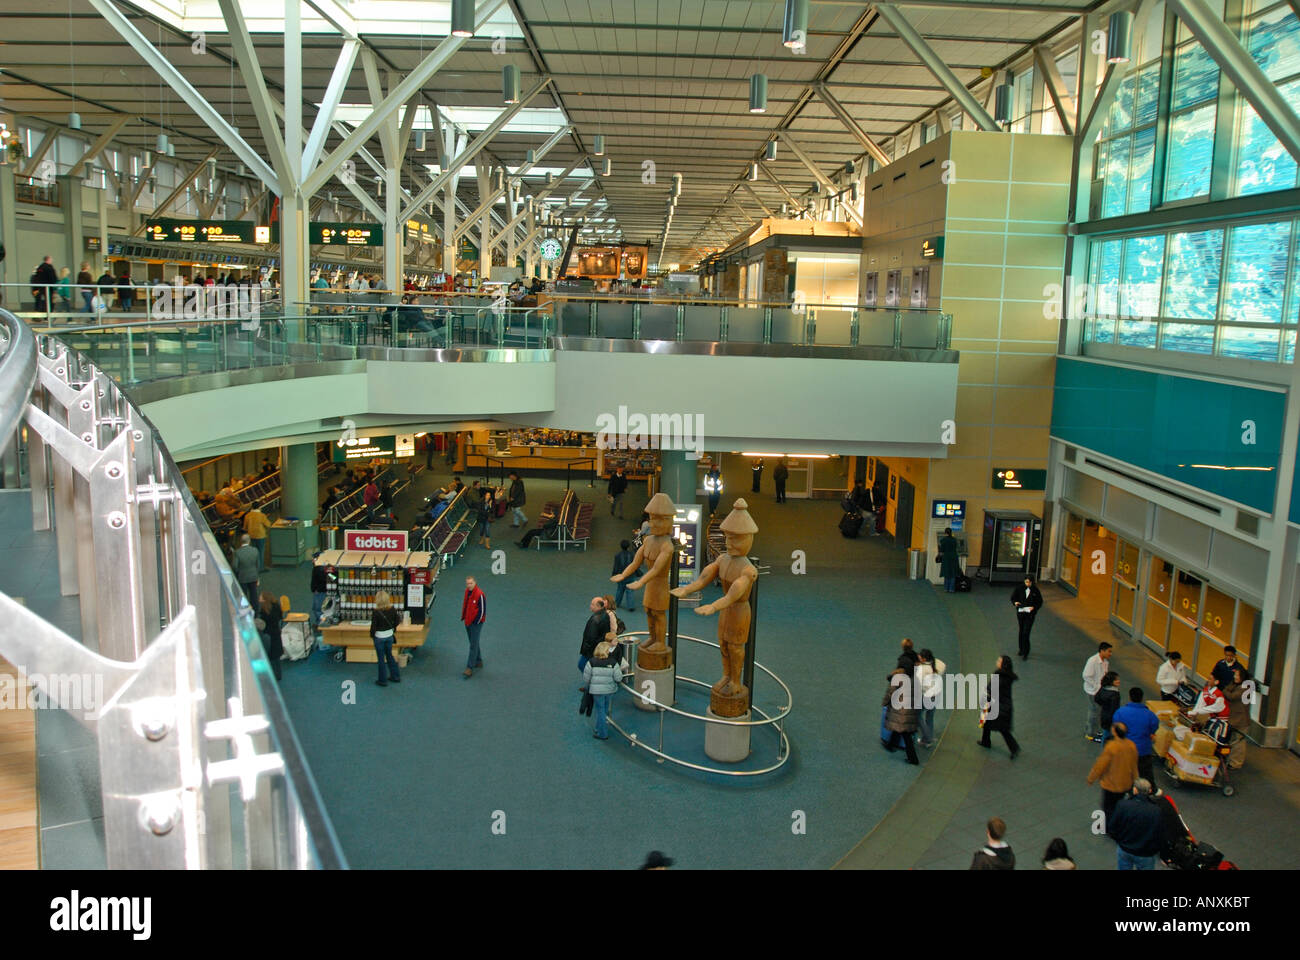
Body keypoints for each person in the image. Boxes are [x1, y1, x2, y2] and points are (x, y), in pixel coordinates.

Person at [1086, 720, 1138, 828]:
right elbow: (1134, 765)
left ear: (1115, 732)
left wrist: (1091, 778)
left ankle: (1108, 826)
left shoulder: (1111, 747)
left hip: (1111, 784)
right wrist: (1135, 779)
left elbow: (1100, 765)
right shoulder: (1131, 745)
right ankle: (1118, 822)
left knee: (1108, 806)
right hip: (1125, 783)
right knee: (1119, 804)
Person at [1109, 779, 1163, 870]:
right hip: (1145, 853)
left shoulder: (1122, 805)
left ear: (1135, 790)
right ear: (1149, 791)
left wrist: (1120, 841)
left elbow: (1112, 827)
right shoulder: (1156, 811)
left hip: (1125, 849)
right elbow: (1160, 834)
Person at [1112, 687, 1159, 783]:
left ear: (1130, 697)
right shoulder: (1150, 715)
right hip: (1143, 749)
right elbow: (1154, 727)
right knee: (1145, 772)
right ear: (1142, 698)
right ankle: (1151, 790)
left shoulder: (1120, 712)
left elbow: (1116, 728)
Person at [977, 655, 1020, 758]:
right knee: (991, 724)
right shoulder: (1008, 676)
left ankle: (1013, 747)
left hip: (997, 706)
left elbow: (990, 689)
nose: (997, 661)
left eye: (999, 660)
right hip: (1004, 705)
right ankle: (986, 741)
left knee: (1000, 728)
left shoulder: (999, 676)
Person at [583, 639, 623, 740]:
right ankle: (599, 728)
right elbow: (618, 678)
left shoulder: (591, 662)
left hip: (596, 692)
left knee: (600, 710)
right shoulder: (613, 663)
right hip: (609, 690)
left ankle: (602, 733)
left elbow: (586, 678)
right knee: (604, 709)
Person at [881, 667, 920, 765]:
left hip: (900, 711)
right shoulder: (912, 680)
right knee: (899, 729)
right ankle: (890, 745)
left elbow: (889, 694)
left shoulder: (896, 680)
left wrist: (885, 703)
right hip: (910, 710)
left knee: (905, 734)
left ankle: (913, 759)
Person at [1082, 641, 1113, 742]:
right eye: (1109, 651)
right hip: (1092, 691)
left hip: (1100, 691)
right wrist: (1096, 687)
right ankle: (1090, 733)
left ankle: (1096, 730)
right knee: (1094, 711)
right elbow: (1086, 676)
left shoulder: (1105, 662)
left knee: (1099, 711)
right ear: (1102, 651)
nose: (1110, 654)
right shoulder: (1092, 661)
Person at [915, 647, 945, 747]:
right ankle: (929, 736)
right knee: (930, 716)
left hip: (927, 696)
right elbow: (943, 665)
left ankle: (927, 739)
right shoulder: (936, 664)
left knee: (917, 716)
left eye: (920, 656)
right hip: (936, 694)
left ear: (923, 659)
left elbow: (918, 684)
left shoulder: (922, 669)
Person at [370, 591, 402, 687]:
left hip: (379, 637)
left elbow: (373, 627)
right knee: (390, 656)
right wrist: (392, 628)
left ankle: (382, 680)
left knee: (381, 659)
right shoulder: (392, 609)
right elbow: (397, 620)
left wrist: (372, 635)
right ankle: (395, 676)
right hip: (389, 636)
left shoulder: (376, 612)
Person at [1223, 667, 1250, 770]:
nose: (1235, 677)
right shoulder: (1236, 684)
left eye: (1237, 675)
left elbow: (1231, 696)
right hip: (1235, 718)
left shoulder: (1244, 688)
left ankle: (1236, 763)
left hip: (1241, 720)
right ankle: (1231, 760)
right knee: (1233, 740)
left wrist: (1225, 690)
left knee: (1238, 742)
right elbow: (1228, 690)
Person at [1010, 575, 1043, 660]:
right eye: (1026, 582)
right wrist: (1015, 603)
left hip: (1030, 615)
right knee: (1021, 631)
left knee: (1026, 632)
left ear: (1032, 582)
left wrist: (1034, 608)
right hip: (1021, 613)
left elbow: (1039, 602)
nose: (1027, 584)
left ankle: (1026, 652)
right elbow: (1013, 598)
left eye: (1029, 582)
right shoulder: (1019, 588)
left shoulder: (1035, 590)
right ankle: (1021, 649)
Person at [461, 576, 486, 679]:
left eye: (471, 583)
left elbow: (483, 611)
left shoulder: (480, 594)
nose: (469, 585)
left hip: (476, 623)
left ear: (475, 583)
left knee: (473, 645)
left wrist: (476, 622)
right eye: (467, 583)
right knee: (473, 642)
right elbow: (466, 605)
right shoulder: (467, 592)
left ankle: (469, 667)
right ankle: (479, 661)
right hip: (467, 621)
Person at [256, 591, 284, 681]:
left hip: (269, 634)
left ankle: (273, 676)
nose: (259, 597)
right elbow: (280, 616)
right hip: (276, 633)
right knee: (276, 657)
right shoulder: (276, 606)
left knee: (271, 656)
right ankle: (278, 675)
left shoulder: (265, 611)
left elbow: (262, 624)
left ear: (265, 599)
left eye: (261, 596)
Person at [233, 534, 260, 609]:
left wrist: (239, 573)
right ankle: (255, 611)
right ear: (249, 541)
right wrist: (257, 576)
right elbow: (258, 565)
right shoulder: (255, 550)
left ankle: (244, 610)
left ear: (240, 541)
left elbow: (235, 566)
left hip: (242, 577)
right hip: (253, 576)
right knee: (254, 595)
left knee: (243, 595)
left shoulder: (237, 552)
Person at [242, 504, 271, 572]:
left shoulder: (247, 515)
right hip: (260, 536)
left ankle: (254, 567)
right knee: (260, 551)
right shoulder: (262, 515)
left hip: (251, 536)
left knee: (253, 551)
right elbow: (268, 525)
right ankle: (261, 567)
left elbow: (245, 527)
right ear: (259, 507)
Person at [612, 539, 639, 610]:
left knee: (620, 590)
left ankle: (617, 603)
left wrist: (614, 575)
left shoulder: (617, 556)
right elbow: (635, 565)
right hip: (630, 575)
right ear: (628, 546)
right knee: (630, 591)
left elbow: (616, 567)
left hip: (621, 576)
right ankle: (631, 606)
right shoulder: (632, 555)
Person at [309, 554, 330, 637]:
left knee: (318, 609)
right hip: (324, 591)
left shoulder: (317, 568)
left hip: (320, 592)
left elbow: (315, 580)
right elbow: (333, 577)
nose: (312, 561)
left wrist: (315, 589)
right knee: (321, 609)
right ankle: (320, 625)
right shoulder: (327, 567)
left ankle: (321, 627)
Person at [1095, 670, 1121, 737]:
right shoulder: (1115, 694)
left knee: (1106, 732)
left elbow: (1096, 698)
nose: (1118, 681)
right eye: (1116, 680)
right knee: (1109, 736)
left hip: (1104, 715)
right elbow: (1114, 709)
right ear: (1111, 681)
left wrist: (1104, 705)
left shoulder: (1103, 688)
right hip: (1110, 719)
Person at [937, 527, 960, 592]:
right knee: (953, 573)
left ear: (945, 532)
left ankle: (946, 588)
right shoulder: (954, 540)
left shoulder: (943, 540)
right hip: (954, 557)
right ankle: (951, 589)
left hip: (946, 558)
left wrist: (939, 556)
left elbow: (941, 551)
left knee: (946, 573)